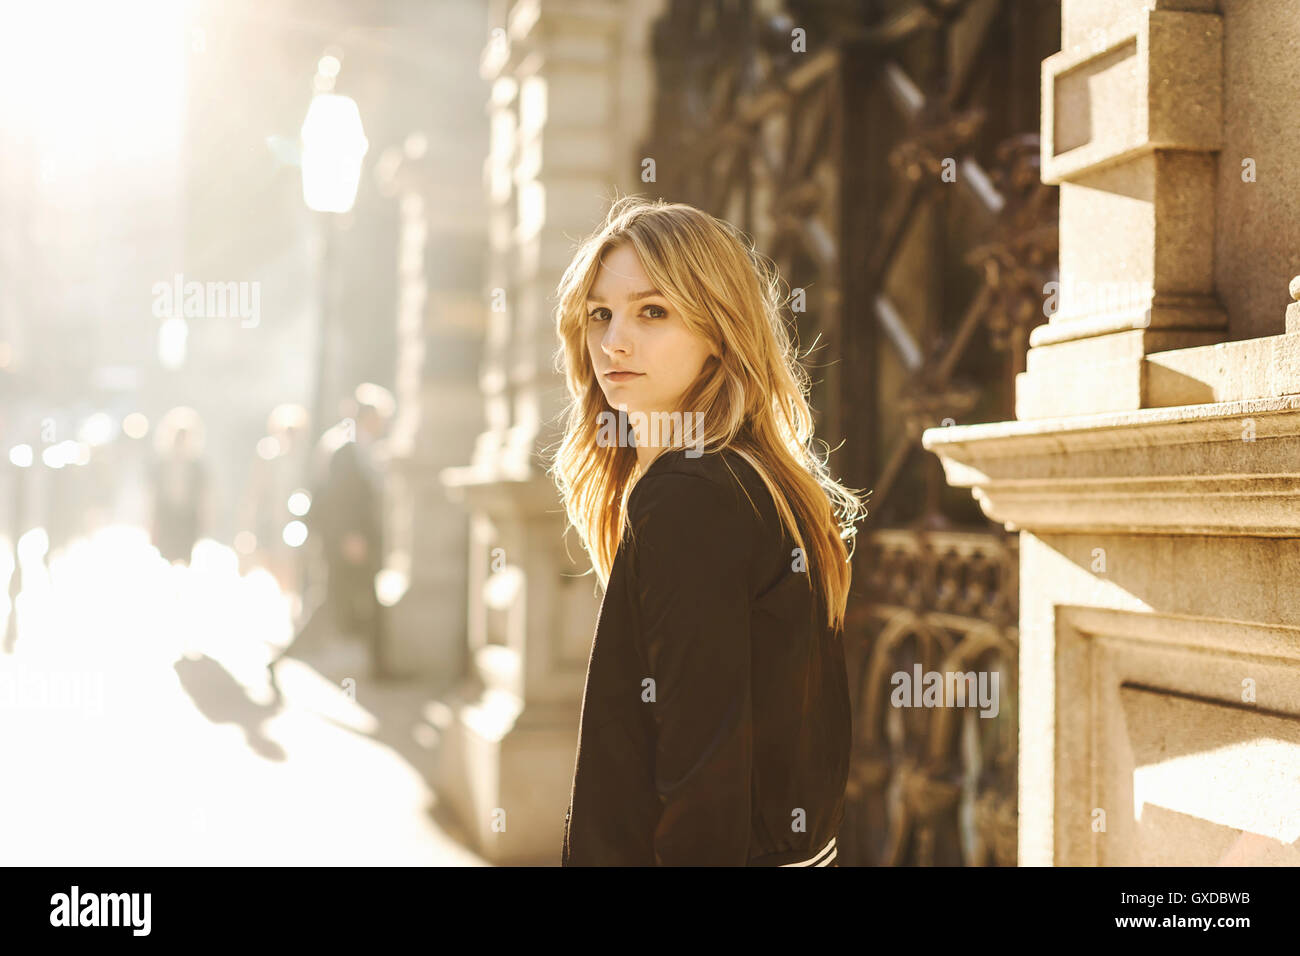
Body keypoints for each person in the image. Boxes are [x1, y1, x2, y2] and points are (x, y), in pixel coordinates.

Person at [551, 195, 869, 866]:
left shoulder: (691, 499)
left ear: (719, 330)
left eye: (653, 311)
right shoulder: (750, 482)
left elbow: (703, 778)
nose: (614, 342)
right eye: (600, 314)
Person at [267, 384, 393, 698]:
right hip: (345, 541)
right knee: (330, 602)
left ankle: (378, 665)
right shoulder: (344, 449)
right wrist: (350, 537)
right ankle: (284, 659)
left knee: (355, 601)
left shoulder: (354, 446)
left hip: (353, 540)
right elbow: (339, 500)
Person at [150, 407, 211, 567]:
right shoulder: (161, 466)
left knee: (185, 557)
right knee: (167, 556)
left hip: (187, 519)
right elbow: (153, 495)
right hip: (167, 517)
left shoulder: (197, 467)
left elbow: (203, 496)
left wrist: (205, 519)